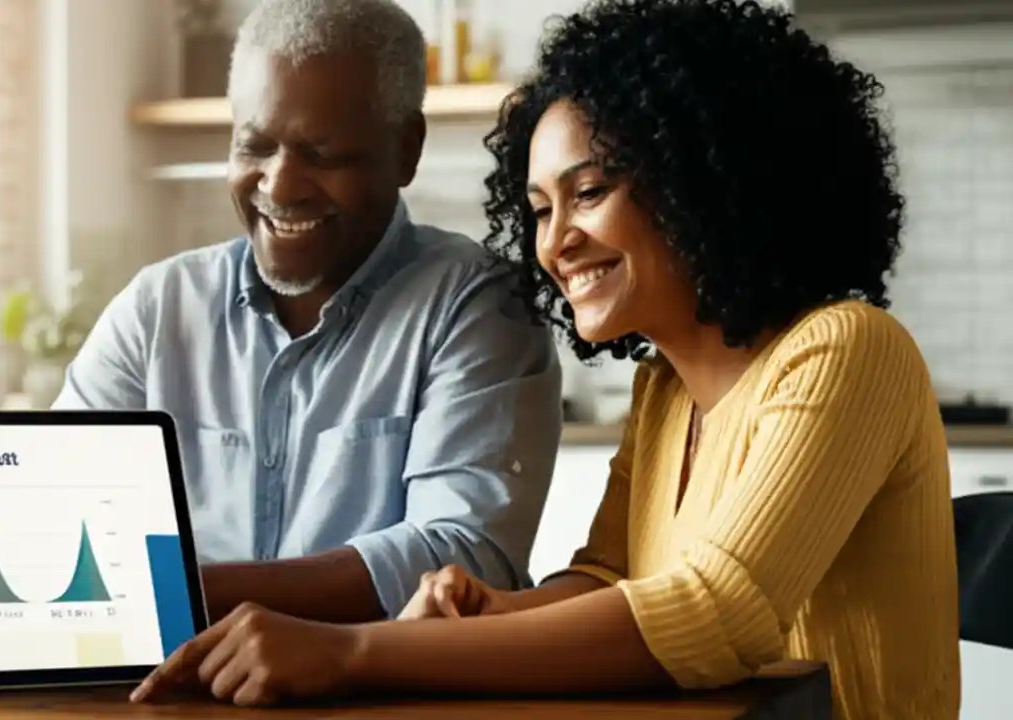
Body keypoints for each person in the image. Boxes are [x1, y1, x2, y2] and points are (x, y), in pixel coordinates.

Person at [128, 0, 961, 717]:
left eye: (589, 193)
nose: (555, 243)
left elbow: (716, 614)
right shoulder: (666, 391)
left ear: (703, 177)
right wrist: (494, 609)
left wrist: (352, 650)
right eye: (537, 209)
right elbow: (606, 578)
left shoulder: (844, 349)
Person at [53, 0, 562, 626]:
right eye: (255, 146)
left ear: (407, 149)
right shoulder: (157, 310)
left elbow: (463, 556)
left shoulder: (473, 306)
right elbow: (57, 510)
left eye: (323, 155)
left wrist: (177, 594)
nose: (281, 185)